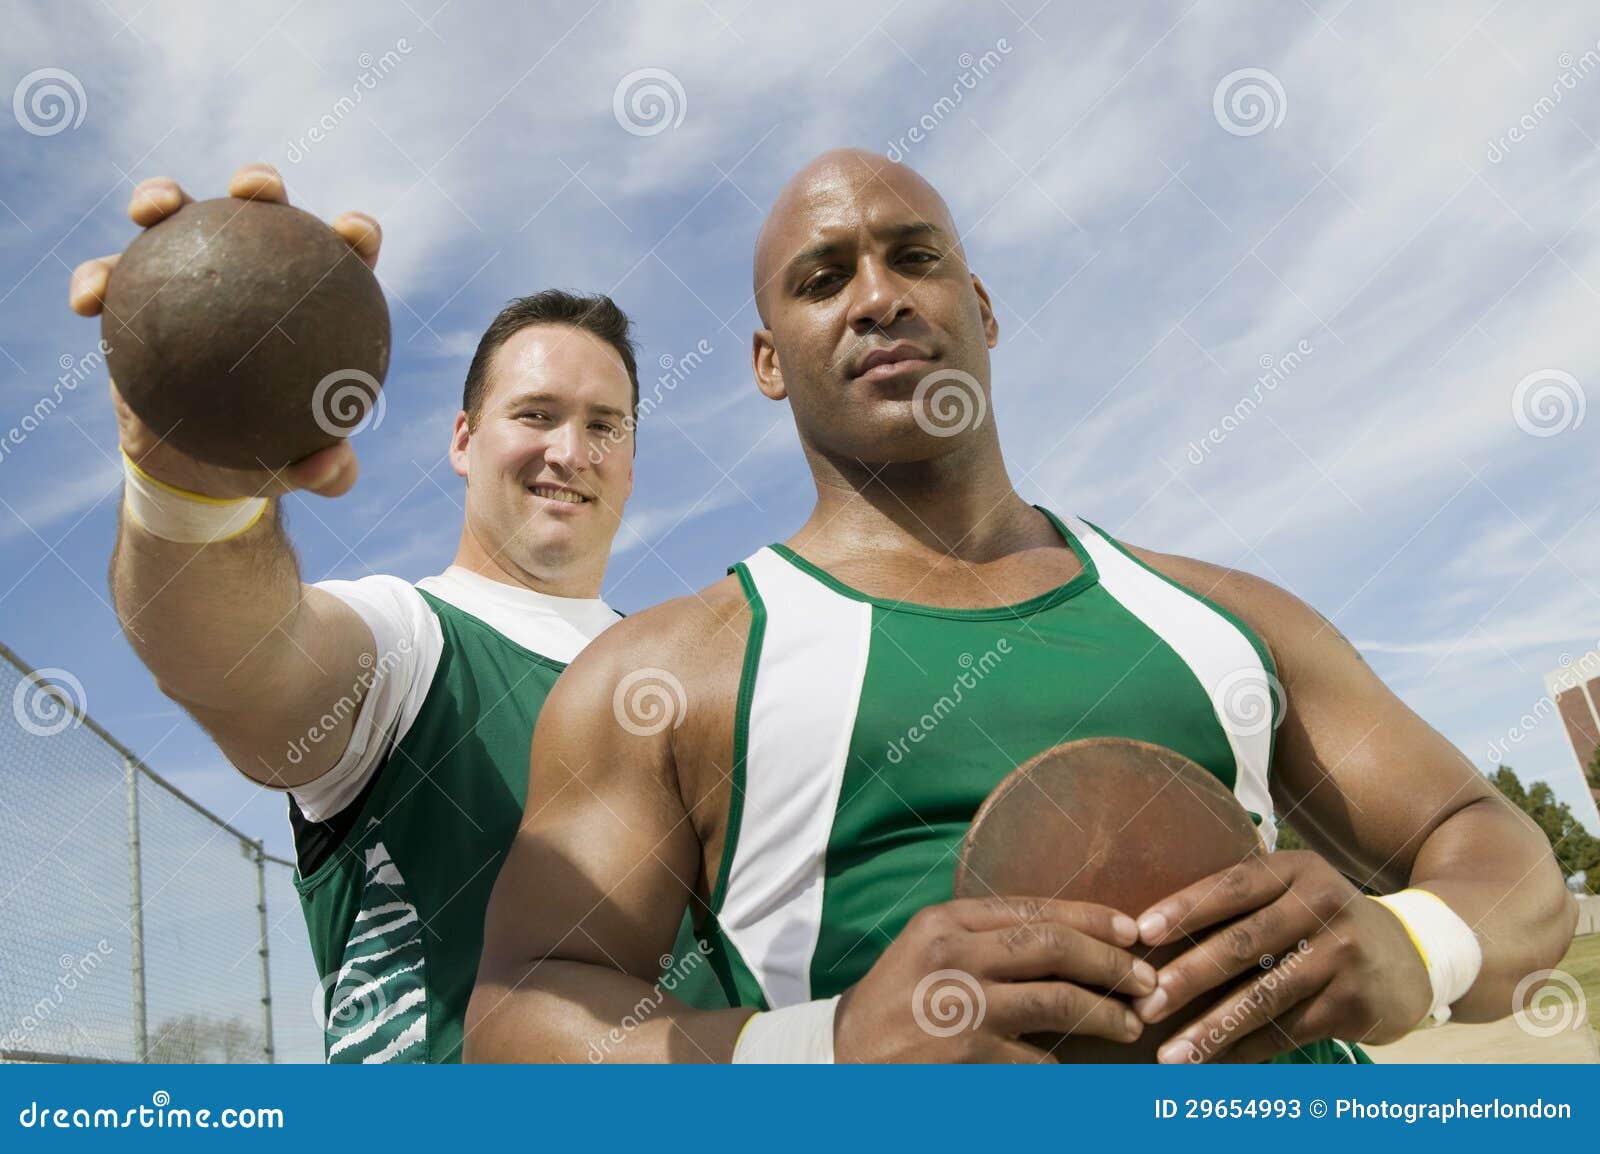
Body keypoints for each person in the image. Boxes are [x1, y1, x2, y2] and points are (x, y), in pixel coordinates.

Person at [465, 149, 1577, 1064]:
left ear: (981, 308)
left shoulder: (1228, 617)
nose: (878, 297)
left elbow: (1499, 853)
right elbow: (516, 1023)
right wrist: (831, 1044)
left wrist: (1414, 943)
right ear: (766, 361)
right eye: (821, 279)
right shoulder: (661, 675)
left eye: (915, 257)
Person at [69, 163, 639, 1064]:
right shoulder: (412, 641)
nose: (570, 451)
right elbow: (241, 661)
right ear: (463, 440)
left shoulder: (688, 671)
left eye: (605, 425)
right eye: (536, 414)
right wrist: (192, 489)